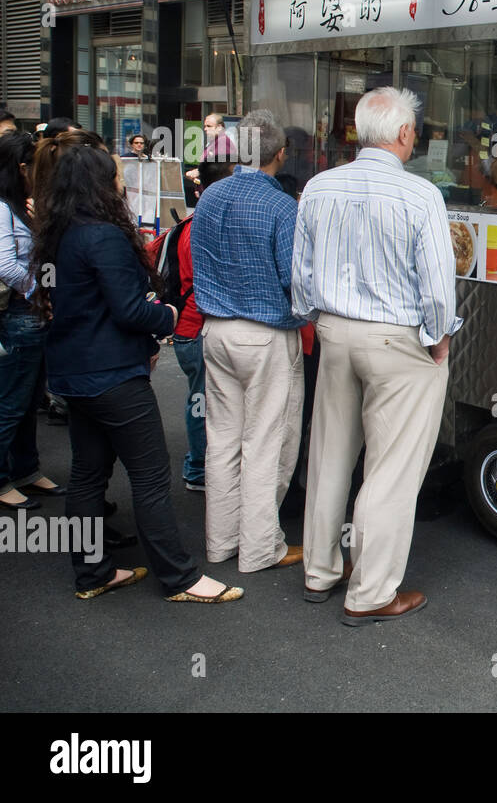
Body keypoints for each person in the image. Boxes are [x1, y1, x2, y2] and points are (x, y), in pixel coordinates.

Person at [32, 137, 241, 603]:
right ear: (99, 184)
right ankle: (179, 578)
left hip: (74, 372)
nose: (122, 180)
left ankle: (92, 573)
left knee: (87, 474)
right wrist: (165, 316)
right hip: (111, 374)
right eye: (115, 174)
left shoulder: (59, 231)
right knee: (148, 475)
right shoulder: (101, 235)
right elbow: (129, 309)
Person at [292, 86, 459, 625]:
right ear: (405, 134)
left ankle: (320, 570)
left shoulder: (318, 188)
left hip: (335, 334)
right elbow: (437, 287)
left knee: (330, 456)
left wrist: (316, 319)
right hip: (397, 342)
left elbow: (302, 278)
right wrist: (440, 338)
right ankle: (369, 594)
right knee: (390, 471)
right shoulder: (421, 196)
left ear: (359, 132)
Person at [189, 109, 304, 573]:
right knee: (265, 443)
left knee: (222, 442)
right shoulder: (282, 207)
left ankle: (220, 543)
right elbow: (293, 280)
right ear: (281, 154)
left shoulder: (211, 195)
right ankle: (260, 548)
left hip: (215, 332)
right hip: (266, 337)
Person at [0, 132, 61, 511]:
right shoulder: (3, 209)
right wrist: (37, 293)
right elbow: (6, 264)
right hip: (21, 315)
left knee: (27, 400)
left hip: (34, 313)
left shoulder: (23, 205)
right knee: (10, 403)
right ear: (20, 168)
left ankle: (26, 469)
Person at [168, 156, 236, 495]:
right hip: (196, 327)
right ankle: (197, 468)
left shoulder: (195, 223)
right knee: (203, 402)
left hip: (190, 327)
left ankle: (200, 463)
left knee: (204, 400)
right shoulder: (202, 226)